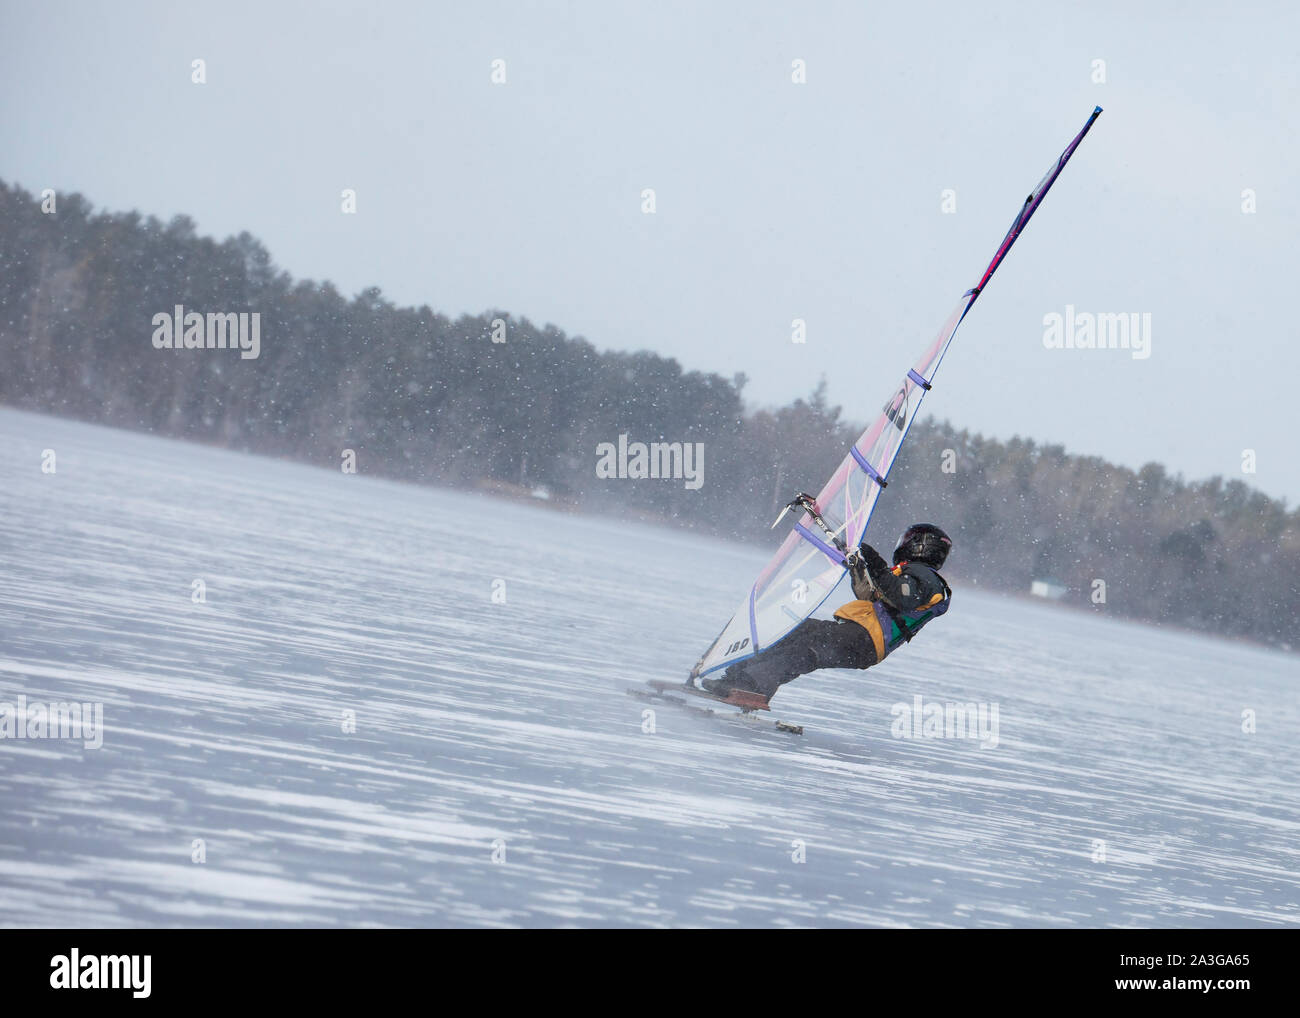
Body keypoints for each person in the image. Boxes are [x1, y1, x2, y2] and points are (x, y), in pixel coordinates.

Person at [700, 523, 953, 704]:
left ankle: (753, 686)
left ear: (920, 546)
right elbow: (871, 595)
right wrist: (859, 564)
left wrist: (874, 561)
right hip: (857, 634)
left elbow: (900, 597)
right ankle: (738, 677)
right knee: (791, 629)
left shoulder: (926, 578)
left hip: (866, 639)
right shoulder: (913, 575)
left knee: (807, 648)